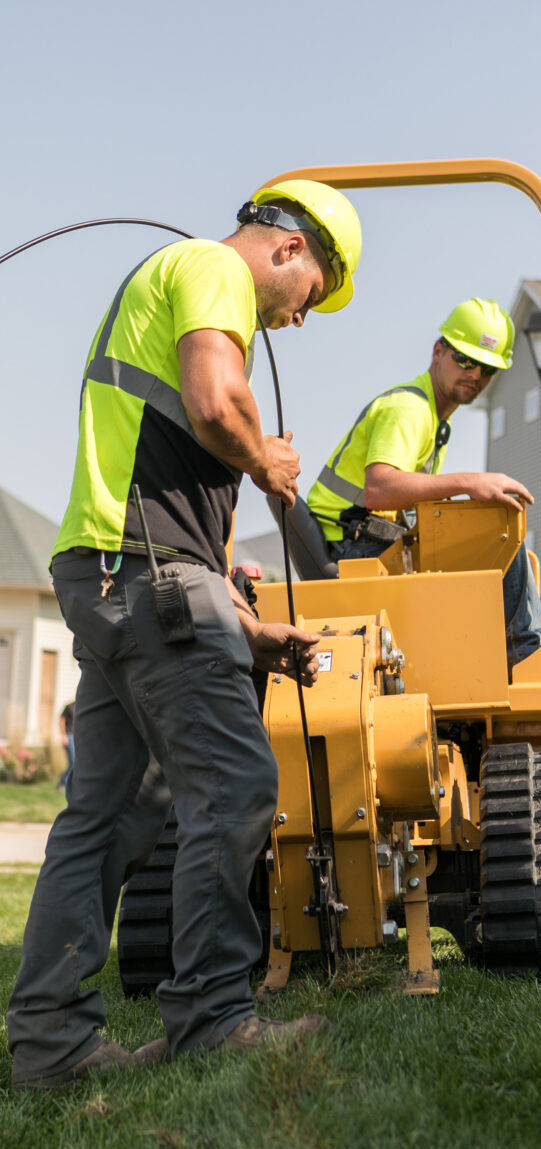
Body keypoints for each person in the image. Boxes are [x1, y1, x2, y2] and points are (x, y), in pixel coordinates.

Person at [8, 179, 362, 1091]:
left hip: (112, 576)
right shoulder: (210, 268)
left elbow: (172, 503)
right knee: (238, 788)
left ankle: (52, 1048)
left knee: (108, 819)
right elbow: (216, 403)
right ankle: (212, 1020)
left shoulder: (165, 280)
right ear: (288, 249)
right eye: (313, 293)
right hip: (148, 578)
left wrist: (242, 630)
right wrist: (270, 458)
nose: (299, 318)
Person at [307, 298, 541, 670]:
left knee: (491, 537)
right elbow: (380, 489)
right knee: (497, 531)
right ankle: (525, 661)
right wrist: (470, 482)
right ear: (439, 351)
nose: (475, 375)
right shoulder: (409, 409)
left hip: (364, 542)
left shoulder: (433, 420)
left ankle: (493, 662)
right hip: (352, 548)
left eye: (486, 369)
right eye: (465, 360)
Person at [56, 701, 75, 796]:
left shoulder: (82, 706)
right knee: (72, 761)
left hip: (77, 737)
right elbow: (62, 720)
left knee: (75, 762)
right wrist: (63, 736)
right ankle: (62, 783)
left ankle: (69, 784)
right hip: (69, 736)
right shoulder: (69, 707)